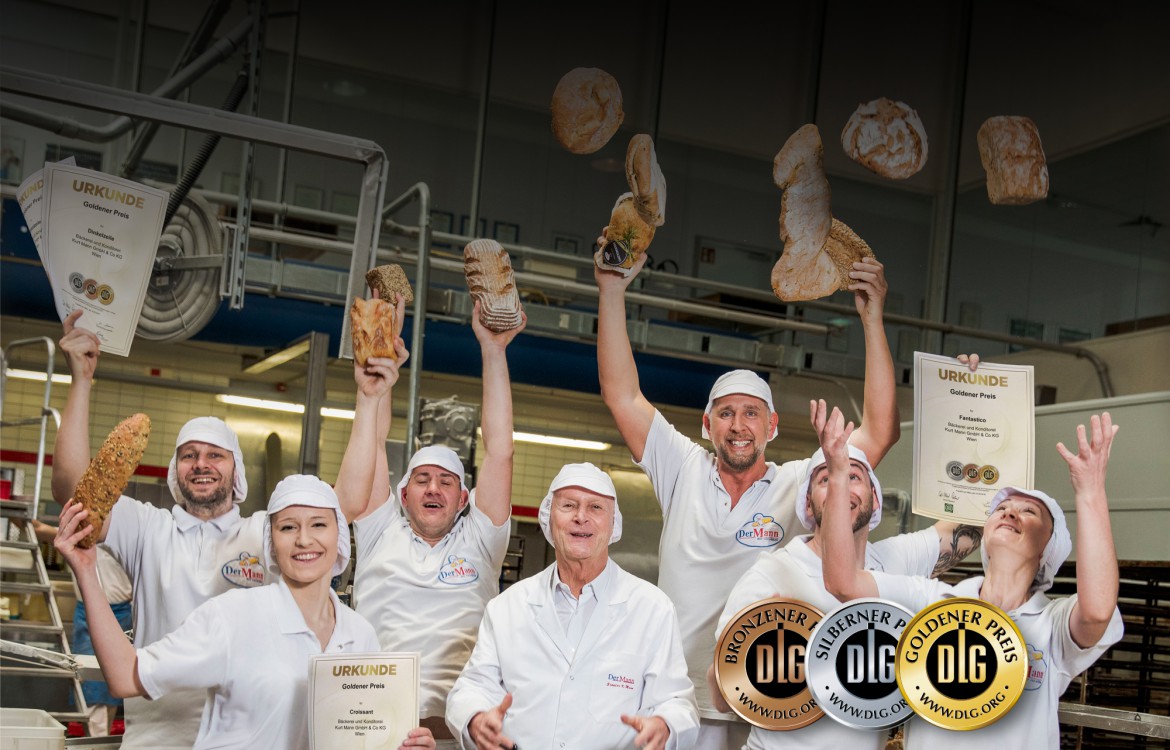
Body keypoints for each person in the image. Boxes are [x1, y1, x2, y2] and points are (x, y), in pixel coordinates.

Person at [594, 246, 982, 749]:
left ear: (773, 425)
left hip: (773, 703)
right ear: (706, 424)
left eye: (752, 413)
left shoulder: (804, 482)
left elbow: (880, 432)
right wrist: (611, 291)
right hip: (678, 701)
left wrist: (873, 320)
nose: (739, 425)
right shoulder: (681, 469)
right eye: (726, 413)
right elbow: (622, 395)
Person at [49, 306, 402, 748]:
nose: (201, 464)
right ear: (175, 471)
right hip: (155, 735)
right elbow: (75, 496)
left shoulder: (260, 535)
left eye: (215, 455)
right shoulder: (146, 528)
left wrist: (368, 401)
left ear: (236, 471)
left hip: (245, 731)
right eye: (189, 454)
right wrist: (80, 380)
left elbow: (342, 502)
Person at [54, 474, 436, 750]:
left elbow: (358, 735)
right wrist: (86, 570)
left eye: (318, 524)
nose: (304, 539)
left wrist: (401, 740)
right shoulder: (233, 617)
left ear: (338, 535)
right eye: (288, 527)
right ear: (271, 544)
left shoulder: (359, 634)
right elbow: (125, 677)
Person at [819, 404, 1124, 749]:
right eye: (1002, 509)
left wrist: (1090, 490)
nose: (1011, 511)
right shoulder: (931, 602)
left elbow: (1098, 609)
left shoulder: (1052, 626)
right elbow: (843, 582)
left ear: (1047, 549)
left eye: (1030, 511)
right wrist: (839, 474)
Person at [707, 401, 943, 749]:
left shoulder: (893, 564)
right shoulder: (775, 573)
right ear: (807, 505)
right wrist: (756, 645)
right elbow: (721, 698)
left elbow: (973, 522)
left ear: (875, 500)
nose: (840, 487)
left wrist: (969, 405)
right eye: (826, 478)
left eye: (852, 476)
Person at [347, 300, 525, 747]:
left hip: (455, 731)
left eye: (446, 482)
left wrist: (493, 350)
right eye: (421, 480)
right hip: (372, 724)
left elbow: (500, 450)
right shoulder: (377, 530)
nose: (432, 489)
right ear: (401, 493)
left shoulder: (481, 539)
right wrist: (380, 359)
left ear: (464, 498)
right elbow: (373, 439)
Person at [446, 463, 699, 750]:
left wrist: (665, 725)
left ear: (613, 523)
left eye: (595, 508)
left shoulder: (652, 608)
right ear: (548, 518)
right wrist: (476, 718)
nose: (581, 517)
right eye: (568, 505)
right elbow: (472, 687)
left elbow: (677, 701)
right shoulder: (508, 607)